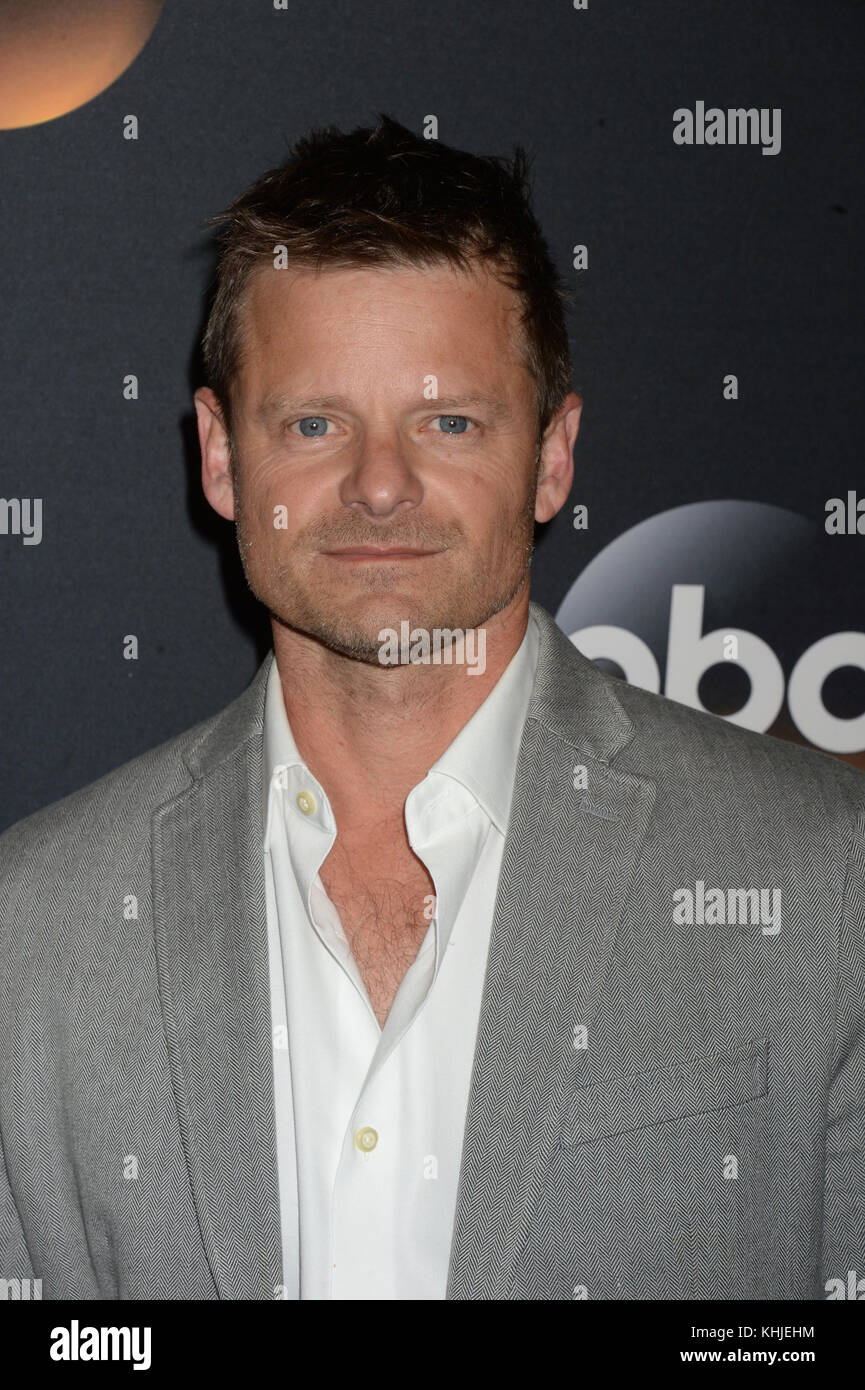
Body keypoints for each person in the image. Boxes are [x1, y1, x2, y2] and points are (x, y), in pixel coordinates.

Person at [1, 114, 863, 1302]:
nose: (378, 483)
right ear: (218, 455)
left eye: (447, 420)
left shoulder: (823, 879)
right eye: (314, 423)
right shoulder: (33, 929)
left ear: (552, 457)